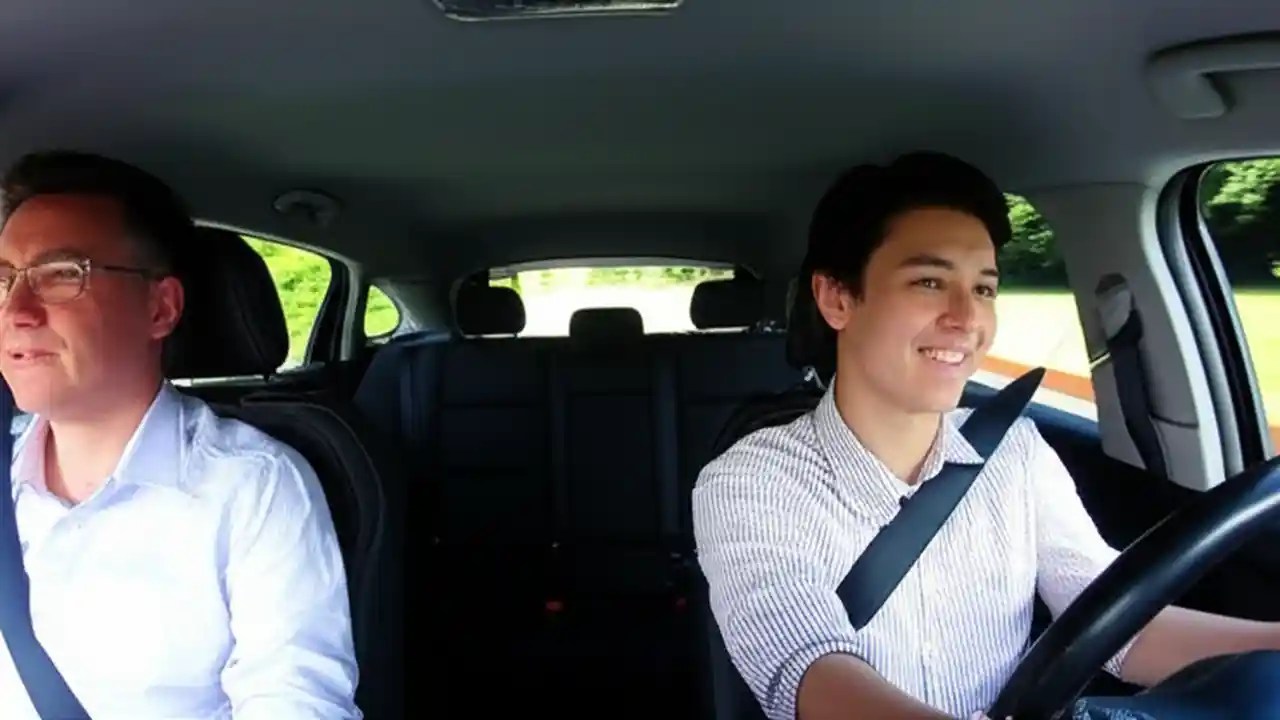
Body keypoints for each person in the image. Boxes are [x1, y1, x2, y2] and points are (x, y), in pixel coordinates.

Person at [692, 151, 1280, 720]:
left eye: (984, 289)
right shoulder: (750, 480)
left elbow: (1117, 619)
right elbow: (808, 667)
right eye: (928, 282)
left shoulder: (1015, 452)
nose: (968, 319)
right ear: (838, 298)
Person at [0, 151, 361, 719]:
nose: (16, 310)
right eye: (2, 279)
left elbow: (294, 702)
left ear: (160, 308)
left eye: (62, 275)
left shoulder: (252, 488)